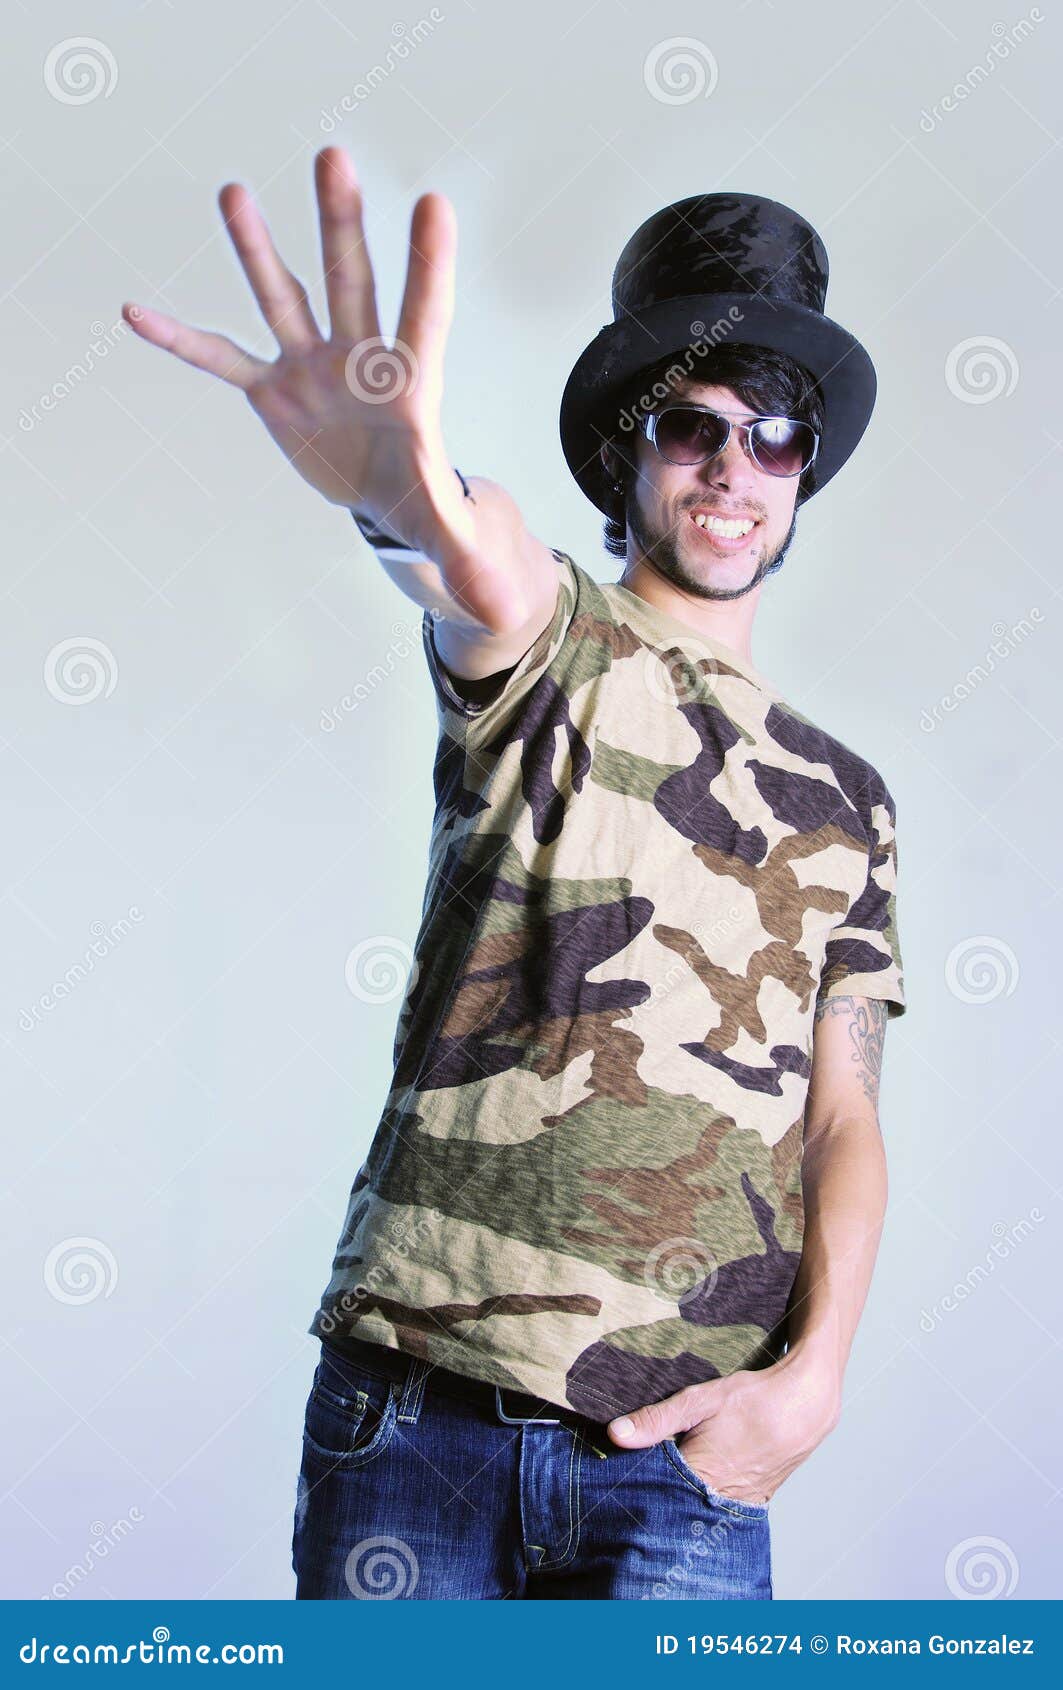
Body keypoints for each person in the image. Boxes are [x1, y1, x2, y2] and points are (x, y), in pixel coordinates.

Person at [123, 147, 907, 1601]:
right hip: (420, 1419)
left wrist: (818, 1377)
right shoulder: (555, 646)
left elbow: (843, 1111)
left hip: (680, 1460)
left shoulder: (853, 803)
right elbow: (475, 567)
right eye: (692, 425)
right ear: (628, 454)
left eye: (776, 434)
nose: (735, 465)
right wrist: (394, 489)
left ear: (805, 471)